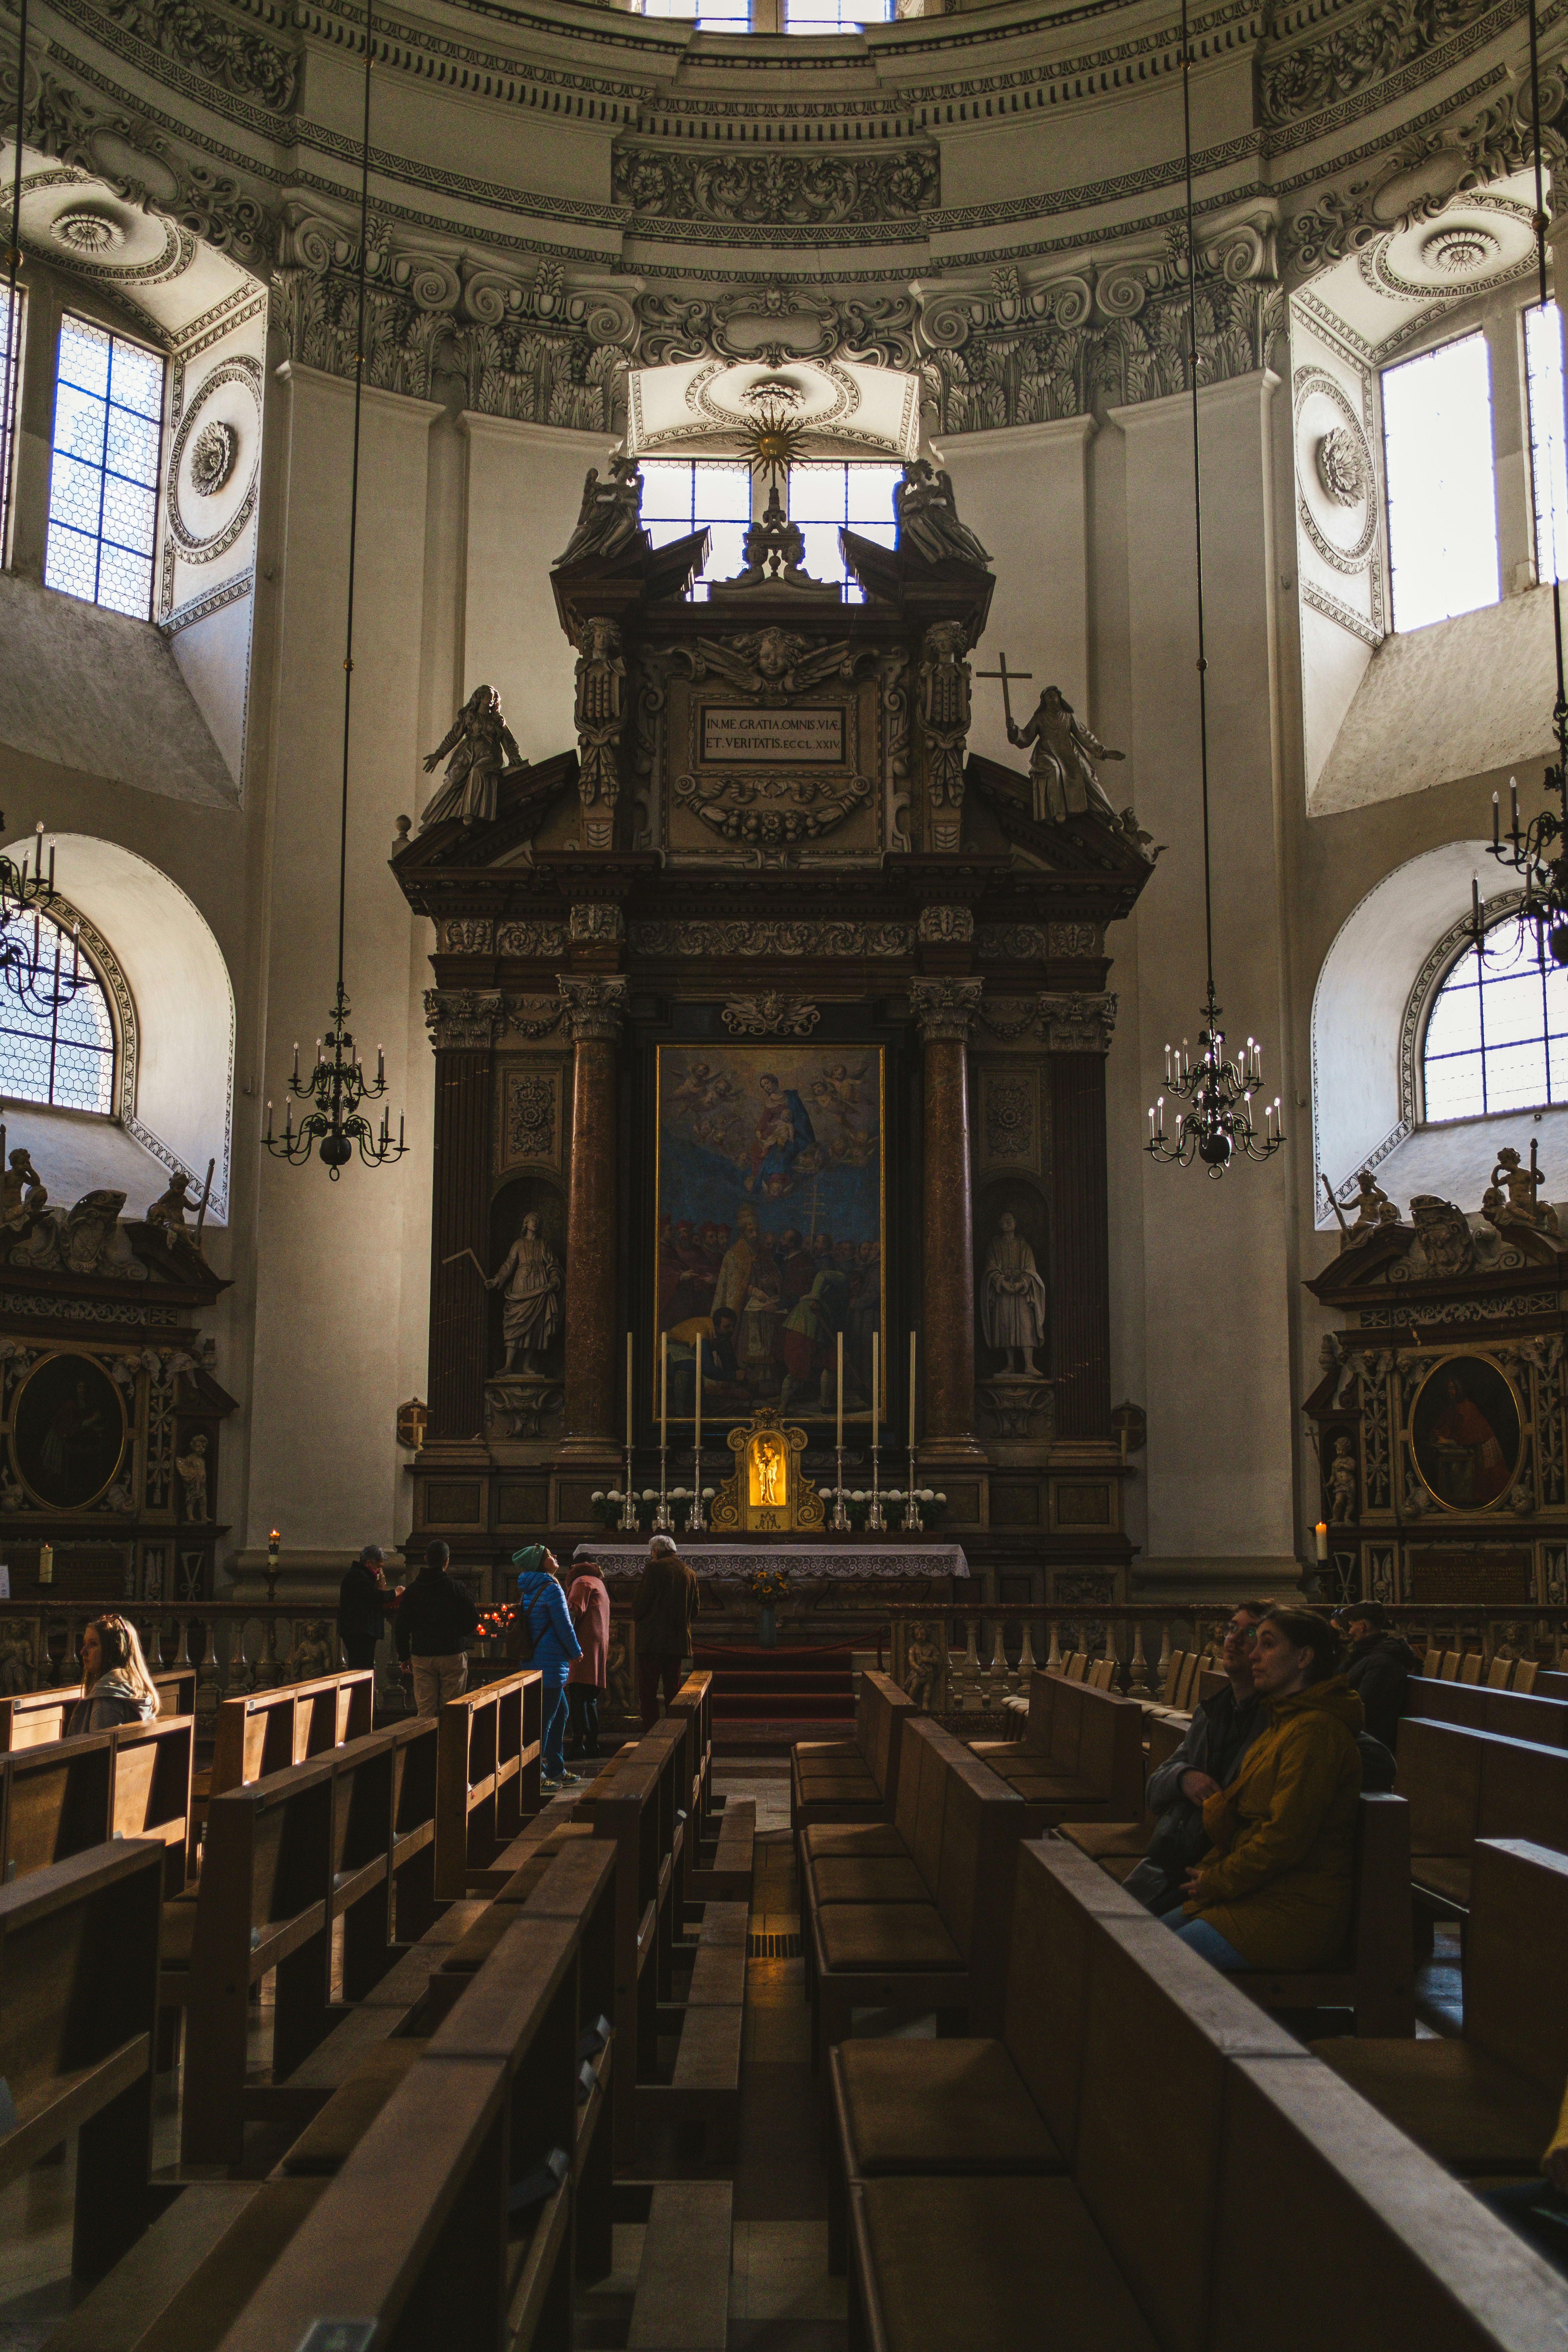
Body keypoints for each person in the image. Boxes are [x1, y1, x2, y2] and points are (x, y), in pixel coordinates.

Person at [1162, 1607, 1364, 1974]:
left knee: (1153, 1965)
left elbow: (1283, 1838)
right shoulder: (1284, 1720)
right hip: (1254, 1892)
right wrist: (1210, 1872)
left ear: (1304, 1657)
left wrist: (1218, 1879)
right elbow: (1244, 1819)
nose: (1253, 1654)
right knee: (1135, 1947)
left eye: (1267, 1644)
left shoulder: (1315, 1732)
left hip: (1292, 1911)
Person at [1124, 1602, 1273, 1913]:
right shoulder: (1213, 1712)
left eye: (1251, 1632)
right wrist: (1184, 1777)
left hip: (1224, 1869)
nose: (1234, 1639)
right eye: (1232, 1628)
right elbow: (1153, 1789)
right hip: (1180, 1854)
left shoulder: (1279, 1718)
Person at [514, 1544, 582, 1789]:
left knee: (559, 1713)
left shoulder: (529, 1587)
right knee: (545, 1719)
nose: (555, 1557)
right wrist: (575, 1652)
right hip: (551, 1662)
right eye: (550, 1556)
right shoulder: (551, 1588)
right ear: (542, 1564)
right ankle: (535, 1774)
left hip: (535, 1659)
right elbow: (564, 1625)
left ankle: (555, 1767)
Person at [395, 1539, 479, 1717]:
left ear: (426, 1559)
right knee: (453, 1710)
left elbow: (402, 1626)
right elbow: (473, 1620)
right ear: (447, 1562)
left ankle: (426, 1745)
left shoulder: (412, 1591)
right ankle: (450, 1744)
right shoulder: (456, 1588)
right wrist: (456, 1635)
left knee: (425, 1711)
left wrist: (404, 1655)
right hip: (452, 1653)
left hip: (422, 1654)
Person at [1333, 1600, 1422, 1749]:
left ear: (1362, 1627)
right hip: (1357, 1735)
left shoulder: (1383, 1663)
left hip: (1370, 1743)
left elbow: (1363, 1710)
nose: (1349, 1632)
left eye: (1351, 1626)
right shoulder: (1365, 1654)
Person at [633, 1533, 700, 1731]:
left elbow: (640, 1606)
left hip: (652, 1642)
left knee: (648, 1691)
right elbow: (695, 1611)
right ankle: (675, 1732)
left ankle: (652, 1733)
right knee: (673, 1690)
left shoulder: (654, 1568)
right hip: (677, 1642)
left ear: (655, 1552)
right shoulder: (689, 1572)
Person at [66, 1614, 159, 1733]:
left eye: (94, 1644)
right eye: (85, 1644)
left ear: (116, 1651)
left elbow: (101, 1747)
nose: (83, 1651)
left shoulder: (108, 1698)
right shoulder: (137, 1687)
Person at [566, 1555, 610, 1764]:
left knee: (577, 1693)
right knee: (589, 1696)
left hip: (583, 1642)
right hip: (598, 1642)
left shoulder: (582, 1582)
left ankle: (578, 1745)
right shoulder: (598, 1582)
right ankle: (593, 1743)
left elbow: (573, 1612)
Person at [337, 1542, 388, 1672]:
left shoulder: (362, 1575)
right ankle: (361, 1693)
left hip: (362, 1631)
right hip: (359, 1632)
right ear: (369, 1563)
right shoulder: (358, 1576)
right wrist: (397, 1592)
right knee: (361, 1670)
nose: (380, 1570)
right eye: (379, 1566)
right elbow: (376, 1595)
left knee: (364, 1669)